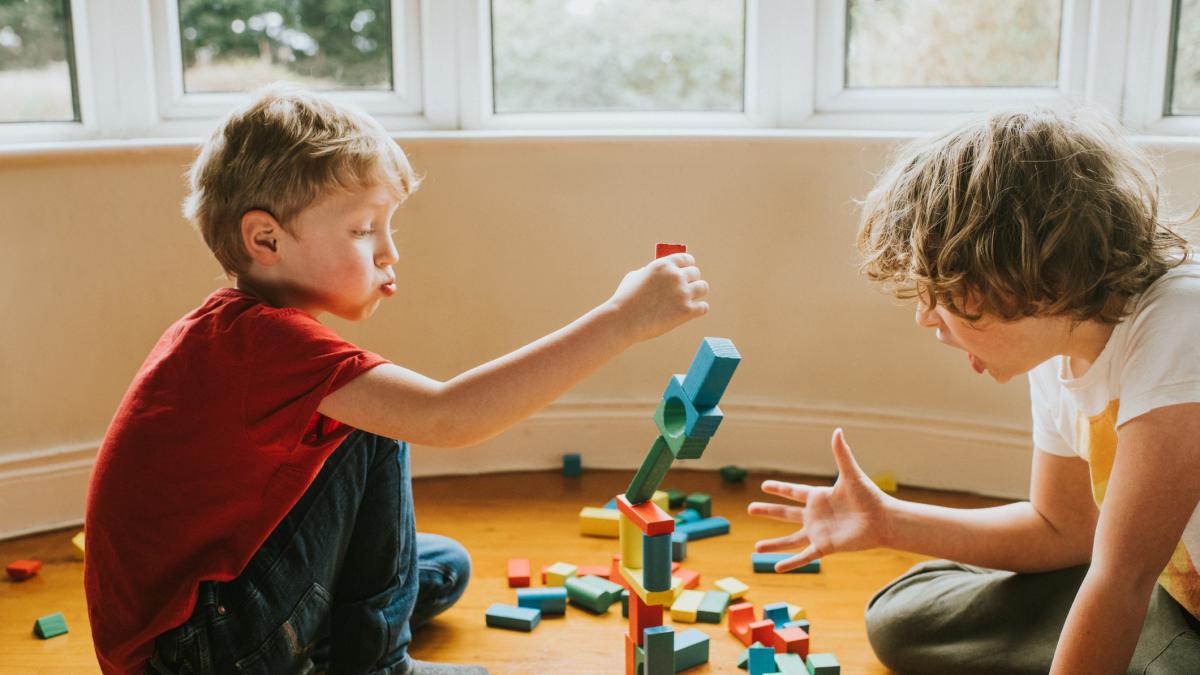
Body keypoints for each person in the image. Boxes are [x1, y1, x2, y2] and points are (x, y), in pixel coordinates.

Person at [84, 84, 711, 675]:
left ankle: (338, 653)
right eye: (363, 231)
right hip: (198, 648)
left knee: (441, 567)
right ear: (265, 239)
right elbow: (447, 416)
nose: (389, 252)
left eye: (388, 228)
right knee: (375, 422)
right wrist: (622, 319)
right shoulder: (262, 343)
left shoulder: (236, 333)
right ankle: (379, 665)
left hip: (200, 631)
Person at [748, 107, 1200, 674]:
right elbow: (1063, 529)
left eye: (944, 296)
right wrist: (889, 521)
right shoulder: (1060, 340)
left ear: (1027, 280)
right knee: (905, 616)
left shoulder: (1181, 323)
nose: (925, 318)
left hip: (1157, 601)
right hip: (1160, 595)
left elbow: (1122, 579)